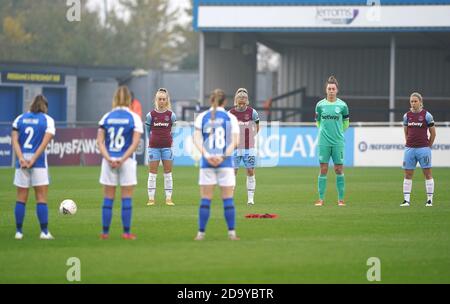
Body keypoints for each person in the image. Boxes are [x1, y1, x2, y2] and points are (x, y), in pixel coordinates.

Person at [97, 86, 143, 240]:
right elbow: (135, 143)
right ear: (129, 99)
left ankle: (105, 232)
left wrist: (109, 158)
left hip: (108, 161)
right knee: (126, 197)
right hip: (127, 161)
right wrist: (122, 159)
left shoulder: (106, 117)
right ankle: (126, 232)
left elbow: (100, 142)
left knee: (108, 197)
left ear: (115, 98)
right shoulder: (134, 118)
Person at [193, 89, 240, 241]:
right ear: (224, 102)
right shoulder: (230, 117)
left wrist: (207, 155)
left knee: (206, 199)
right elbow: (235, 141)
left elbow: (196, 139)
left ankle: (201, 233)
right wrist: (222, 157)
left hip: (207, 163)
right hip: (225, 163)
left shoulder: (202, 117)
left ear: (211, 100)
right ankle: (231, 233)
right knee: (228, 199)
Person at [11, 94, 55, 240]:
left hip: (22, 163)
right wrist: (33, 160)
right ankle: (44, 232)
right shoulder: (47, 120)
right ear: (45, 107)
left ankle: (18, 232)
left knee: (21, 198)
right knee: (41, 198)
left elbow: (15, 141)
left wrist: (22, 159)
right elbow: (44, 143)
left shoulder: (20, 119)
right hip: (39, 163)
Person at [314, 76, 349, 207]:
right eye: (329, 88)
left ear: (337, 90)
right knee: (323, 169)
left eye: (333, 88)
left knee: (338, 169)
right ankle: (321, 199)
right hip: (323, 141)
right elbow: (317, 121)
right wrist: (322, 129)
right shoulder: (320, 105)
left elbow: (346, 121)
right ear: (326, 90)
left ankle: (341, 199)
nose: (331, 91)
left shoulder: (342, 105)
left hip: (338, 142)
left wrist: (340, 131)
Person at [401, 92, 436, 207]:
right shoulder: (407, 116)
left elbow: (433, 133)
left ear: (420, 102)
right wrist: (408, 143)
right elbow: (406, 131)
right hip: (410, 149)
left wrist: (428, 146)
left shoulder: (427, 115)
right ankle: (406, 200)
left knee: (427, 174)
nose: (413, 103)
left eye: (415, 101)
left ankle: (429, 200)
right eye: (411, 101)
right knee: (408, 174)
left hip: (423, 149)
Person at [145, 88, 177, 206]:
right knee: (152, 173)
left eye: (164, 99)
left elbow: (173, 131)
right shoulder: (150, 115)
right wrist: (152, 141)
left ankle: (168, 199)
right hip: (153, 148)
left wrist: (169, 140)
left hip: (167, 148)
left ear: (166, 100)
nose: (162, 101)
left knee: (168, 173)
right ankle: (151, 199)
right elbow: (148, 130)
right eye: (160, 99)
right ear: (156, 100)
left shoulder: (171, 115)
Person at [229, 88, 260, 205]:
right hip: (235, 148)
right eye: (240, 100)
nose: (242, 102)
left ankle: (250, 199)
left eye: (244, 100)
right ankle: (230, 199)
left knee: (250, 171)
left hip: (249, 147)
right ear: (236, 100)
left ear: (247, 101)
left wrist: (251, 137)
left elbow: (257, 126)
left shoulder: (252, 112)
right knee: (233, 172)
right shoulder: (231, 113)